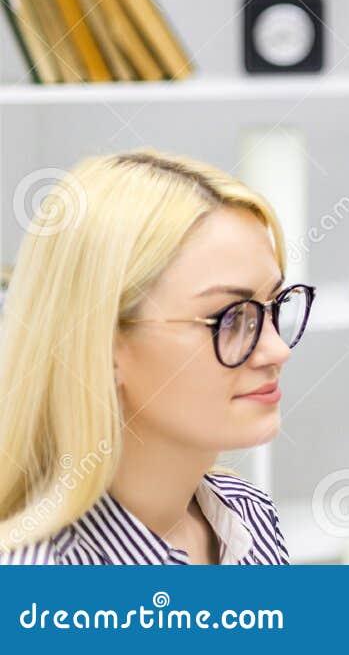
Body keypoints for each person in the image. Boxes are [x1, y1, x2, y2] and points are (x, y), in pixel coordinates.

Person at [0, 149, 311, 564]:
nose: (276, 350)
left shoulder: (249, 514)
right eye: (230, 318)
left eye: (274, 305)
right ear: (103, 343)